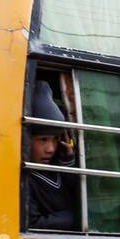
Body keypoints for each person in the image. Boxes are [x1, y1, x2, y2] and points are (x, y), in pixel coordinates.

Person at [23, 79, 78, 231]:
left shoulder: (58, 166)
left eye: (55, 140)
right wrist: (75, 216)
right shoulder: (25, 179)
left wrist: (68, 160)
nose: (51, 149)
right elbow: (33, 223)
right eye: (43, 140)